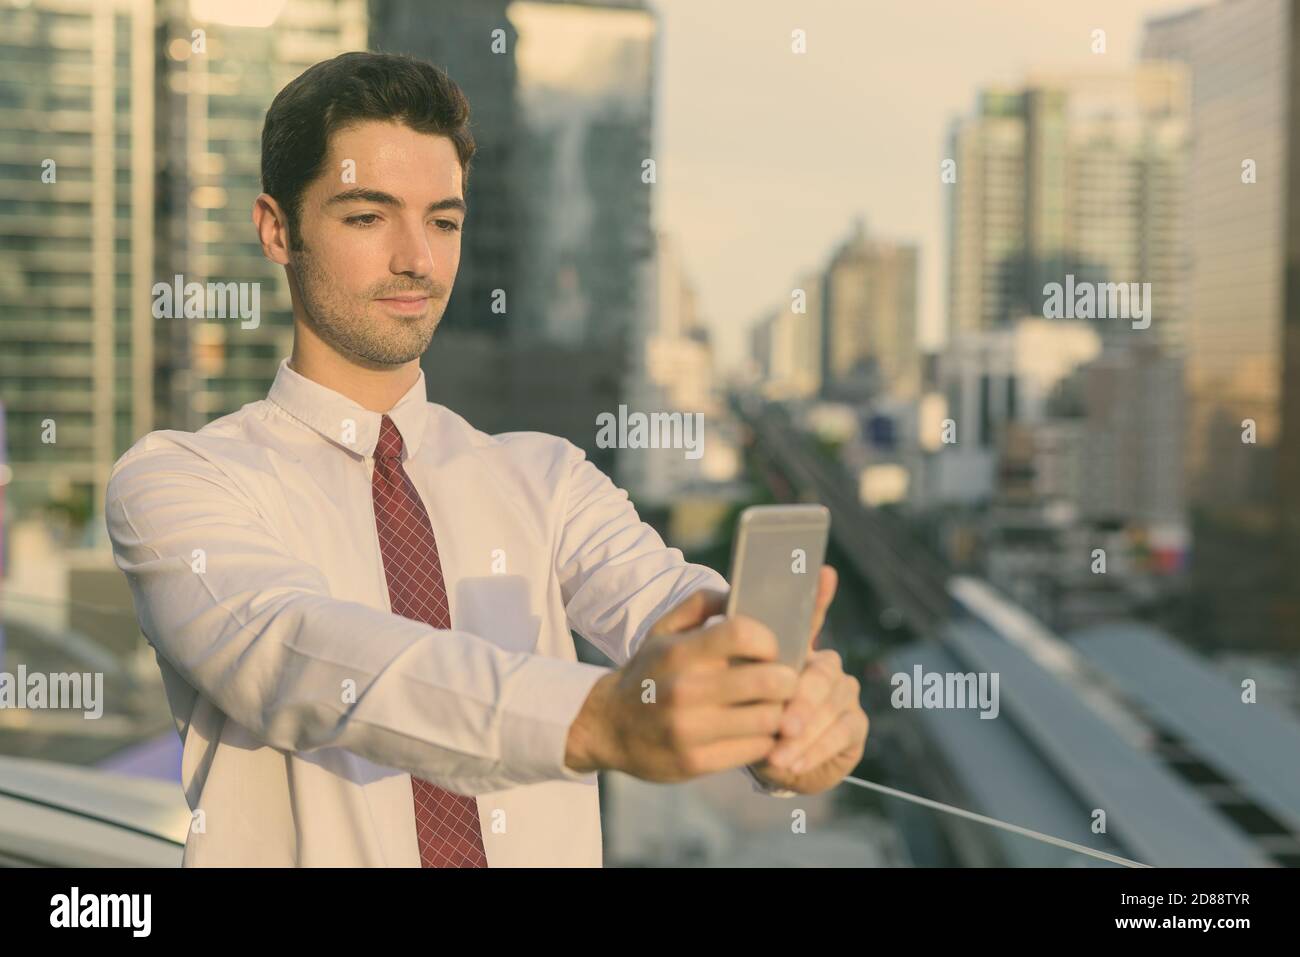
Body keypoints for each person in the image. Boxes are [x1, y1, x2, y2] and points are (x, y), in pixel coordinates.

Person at [105, 51, 869, 867]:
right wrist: (600, 718)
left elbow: (666, 600)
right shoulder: (180, 481)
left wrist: (779, 705)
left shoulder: (545, 477)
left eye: (443, 220)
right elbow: (299, 655)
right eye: (368, 216)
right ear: (276, 228)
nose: (418, 260)